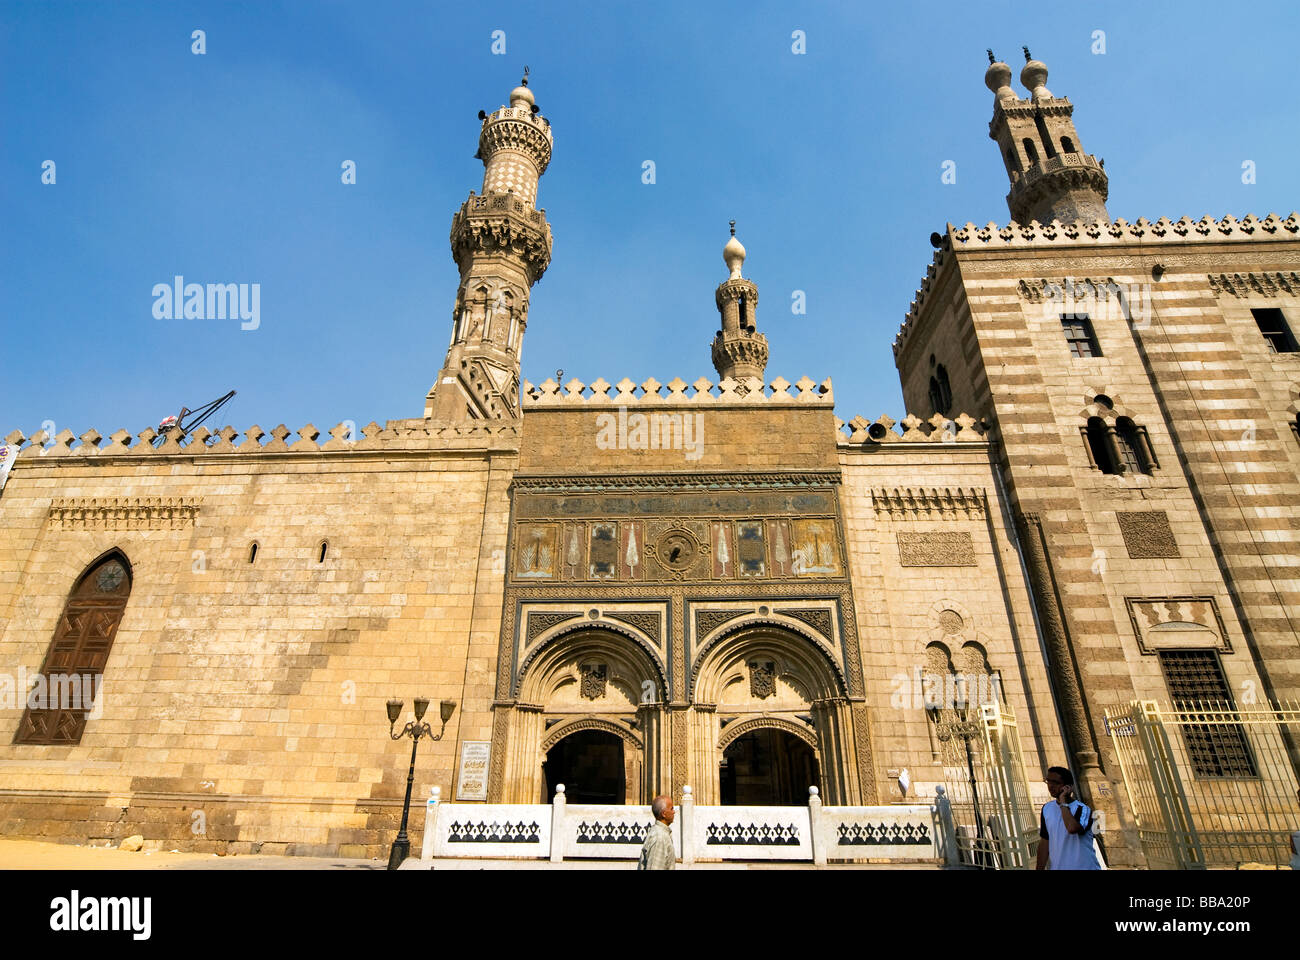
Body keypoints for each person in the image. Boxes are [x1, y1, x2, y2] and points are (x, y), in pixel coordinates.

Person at [1036, 766, 1101, 870]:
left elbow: (1072, 828)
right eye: (1048, 781)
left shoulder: (1082, 809)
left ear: (1068, 787)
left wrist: (1063, 803)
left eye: (1056, 783)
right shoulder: (1047, 808)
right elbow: (1045, 840)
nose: (1051, 786)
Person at [637, 794, 676, 870]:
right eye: (671, 809)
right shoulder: (660, 837)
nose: (674, 812)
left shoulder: (661, 833)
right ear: (664, 814)